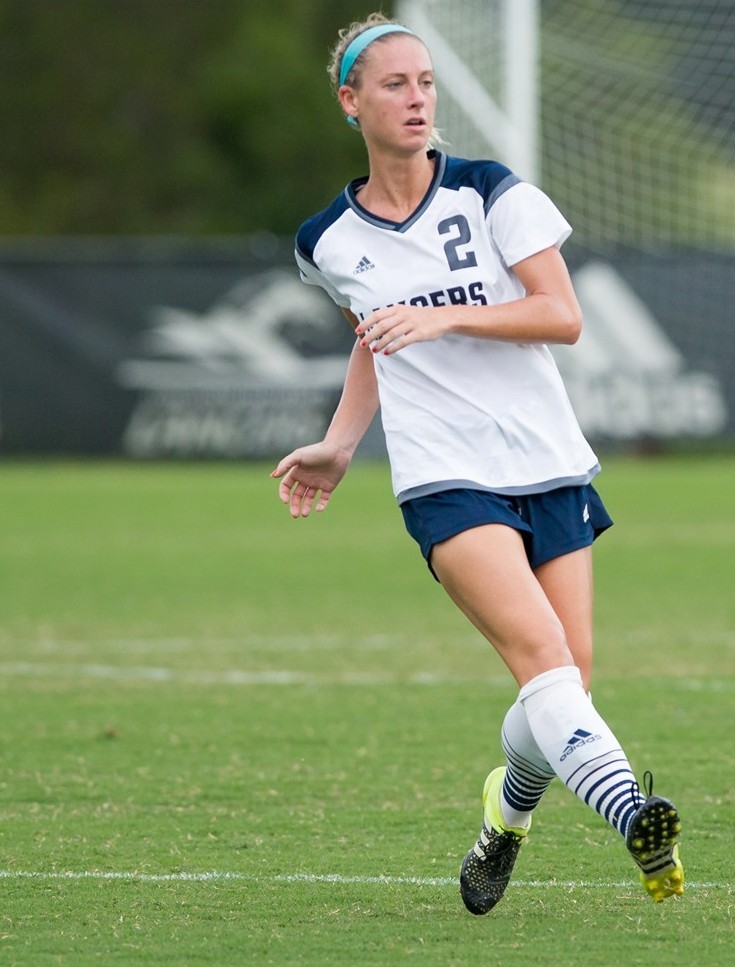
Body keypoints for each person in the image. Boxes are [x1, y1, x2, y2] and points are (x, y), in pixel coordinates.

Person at [271, 12, 683, 914]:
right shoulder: (325, 239)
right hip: (444, 476)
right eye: (394, 85)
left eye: (425, 82)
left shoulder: (491, 190)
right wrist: (340, 443)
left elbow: (561, 314)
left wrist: (445, 315)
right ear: (350, 101)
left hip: (548, 461)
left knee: (563, 684)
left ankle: (505, 817)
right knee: (541, 659)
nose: (417, 98)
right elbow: (372, 338)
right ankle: (635, 815)